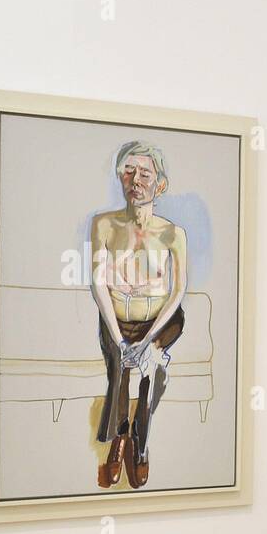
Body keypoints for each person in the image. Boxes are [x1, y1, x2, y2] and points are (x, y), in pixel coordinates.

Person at [90, 140, 187, 489]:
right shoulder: (103, 225)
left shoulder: (174, 234)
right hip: (118, 323)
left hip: (159, 323)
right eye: (128, 172)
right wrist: (119, 338)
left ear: (159, 183)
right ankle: (120, 436)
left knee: (149, 367)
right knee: (119, 368)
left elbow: (178, 292)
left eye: (144, 173)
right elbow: (99, 283)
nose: (135, 180)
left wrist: (148, 342)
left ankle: (140, 445)